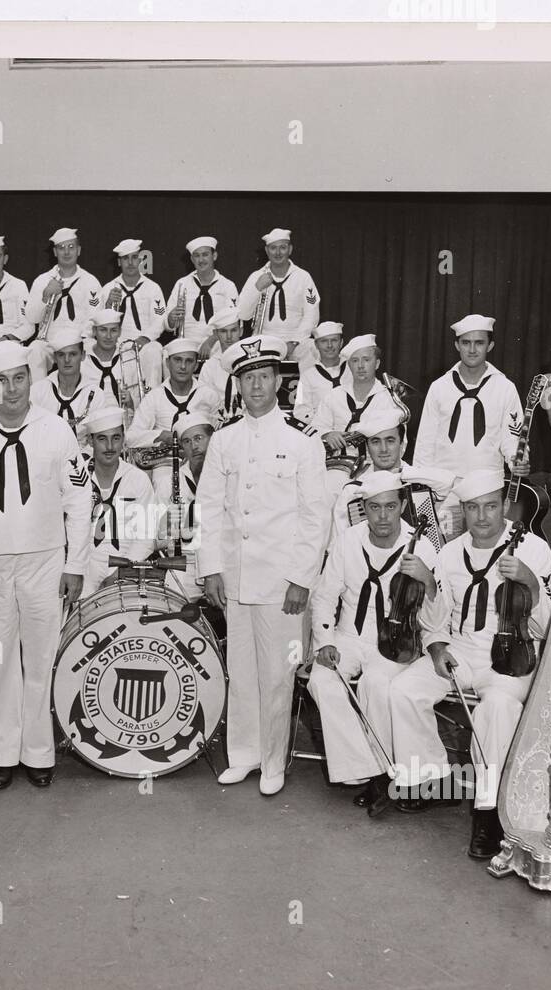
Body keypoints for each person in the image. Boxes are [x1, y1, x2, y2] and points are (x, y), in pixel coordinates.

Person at [0, 341, 92, 788]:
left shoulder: (56, 430)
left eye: (19, 379)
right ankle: (2, 753)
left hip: (46, 562)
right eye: (0, 382)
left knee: (41, 659)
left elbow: (79, 498)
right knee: (0, 658)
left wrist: (75, 564)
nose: (11, 390)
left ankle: (40, 753)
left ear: (31, 379)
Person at [389, 469, 551, 858]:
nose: (482, 517)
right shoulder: (449, 553)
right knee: (403, 690)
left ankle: (489, 810)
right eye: (472, 508)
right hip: (462, 650)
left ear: (505, 506)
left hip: (514, 653)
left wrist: (532, 586)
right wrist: (435, 646)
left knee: (496, 709)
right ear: (463, 510)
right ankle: (430, 781)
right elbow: (436, 621)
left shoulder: (533, 549)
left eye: (491, 507)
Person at [195, 334, 328, 795]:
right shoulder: (224, 441)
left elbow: (316, 516)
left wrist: (300, 579)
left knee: (277, 676)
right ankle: (245, 755)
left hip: (280, 582)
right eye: (248, 377)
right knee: (243, 673)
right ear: (237, 383)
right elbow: (208, 508)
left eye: (264, 376)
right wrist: (211, 568)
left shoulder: (302, 442)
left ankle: (273, 763)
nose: (256, 386)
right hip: (235, 578)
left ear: (278, 382)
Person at [307, 471, 440, 814]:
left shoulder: (422, 545)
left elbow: (438, 613)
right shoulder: (348, 541)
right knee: (323, 682)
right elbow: (324, 596)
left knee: (376, 684)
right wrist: (324, 640)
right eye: (374, 508)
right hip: (349, 636)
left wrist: (426, 578)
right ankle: (369, 771)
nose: (382, 516)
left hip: (398, 639)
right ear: (364, 508)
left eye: (390, 507)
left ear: (403, 506)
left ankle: (383, 774)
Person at [412, 314, 528, 538]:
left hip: (487, 489)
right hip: (445, 489)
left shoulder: (505, 388)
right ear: (457, 345)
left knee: (485, 551)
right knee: (443, 552)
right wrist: (422, 491)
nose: (472, 349)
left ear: (490, 345)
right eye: (466, 343)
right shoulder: (439, 388)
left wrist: (517, 460)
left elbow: (512, 438)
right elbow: (425, 444)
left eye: (479, 343)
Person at [328, 401, 452, 545]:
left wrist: (401, 474)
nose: (384, 449)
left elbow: (450, 484)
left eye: (390, 440)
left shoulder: (417, 479)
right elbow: (338, 543)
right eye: (375, 442)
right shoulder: (354, 491)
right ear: (367, 448)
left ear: (402, 443)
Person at [126, 339, 221, 497]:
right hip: (167, 462)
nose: (183, 367)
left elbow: (219, 431)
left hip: (202, 460)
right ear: (167, 363)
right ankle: (169, 522)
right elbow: (130, 437)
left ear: (196, 365)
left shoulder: (208, 395)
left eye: (189, 361)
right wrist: (161, 436)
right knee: (165, 485)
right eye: (177, 360)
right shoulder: (154, 397)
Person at [82, 406, 158, 598]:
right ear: (90, 441)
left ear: (123, 440)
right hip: (84, 563)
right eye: (102, 439)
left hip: (126, 564)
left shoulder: (138, 480)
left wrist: (120, 573)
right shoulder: (77, 479)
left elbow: (145, 537)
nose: (110, 446)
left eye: (116, 438)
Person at [311, 333, 393, 500]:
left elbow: (399, 442)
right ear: (349, 365)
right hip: (337, 468)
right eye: (355, 361)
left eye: (366, 360)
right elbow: (314, 430)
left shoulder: (388, 399)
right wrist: (327, 434)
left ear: (376, 363)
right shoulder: (334, 396)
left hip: (375, 468)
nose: (360, 366)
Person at [24, 227, 102, 381]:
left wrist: (77, 341)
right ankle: (39, 399)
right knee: (34, 350)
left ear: (79, 250)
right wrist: (45, 295)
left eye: (71, 247)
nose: (67, 252)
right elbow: (32, 318)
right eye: (61, 248)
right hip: (49, 341)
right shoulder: (42, 280)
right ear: (55, 252)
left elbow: (95, 318)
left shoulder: (90, 281)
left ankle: (88, 399)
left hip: (80, 340)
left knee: (92, 351)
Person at [235, 228, 321, 364]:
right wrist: (257, 288)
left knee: (313, 350)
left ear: (290, 249)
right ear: (267, 250)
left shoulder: (303, 277)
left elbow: (312, 314)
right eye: (273, 248)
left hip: (296, 340)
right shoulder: (257, 276)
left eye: (283, 247)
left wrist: (294, 342)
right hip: (264, 340)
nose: (278, 252)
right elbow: (243, 314)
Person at [157, 411, 213, 605]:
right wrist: (169, 524)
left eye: (199, 438)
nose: (194, 447)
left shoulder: (229, 475)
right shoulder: (168, 482)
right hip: (185, 564)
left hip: (221, 561)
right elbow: (159, 539)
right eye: (187, 442)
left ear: (212, 438)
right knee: (171, 611)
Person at [99, 238, 166, 388]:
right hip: (117, 343)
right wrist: (108, 305)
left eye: (134, 257)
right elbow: (97, 323)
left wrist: (145, 338)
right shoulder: (108, 288)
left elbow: (160, 319)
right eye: (125, 258)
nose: (130, 262)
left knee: (155, 350)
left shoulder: (152, 288)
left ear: (140, 260)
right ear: (119, 262)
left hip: (144, 343)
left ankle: (152, 397)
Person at [31, 325, 111, 442]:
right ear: (54, 358)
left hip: (82, 456)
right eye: (61, 355)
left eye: (73, 354)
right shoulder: (38, 391)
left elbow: (98, 440)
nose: (67, 360)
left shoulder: (96, 394)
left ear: (83, 356)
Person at [165, 236, 240, 345]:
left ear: (214, 256)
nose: (201, 260)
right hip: (187, 343)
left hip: (218, 343)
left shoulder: (228, 286)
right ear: (192, 259)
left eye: (205, 255)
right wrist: (171, 319)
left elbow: (232, 323)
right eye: (197, 256)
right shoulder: (182, 284)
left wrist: (211, 341)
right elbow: (169, 326)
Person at [197, 309, 247, 422]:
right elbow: (203, 402)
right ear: (216, 334)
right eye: (223, 331)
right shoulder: (209, 366)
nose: (229, 336)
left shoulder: (250, 361)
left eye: (233, 330)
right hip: (217, 422)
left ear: (241, 331)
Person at [295, 321, 347, 426]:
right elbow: (300, 413)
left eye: (334, 340)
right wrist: (325, 430)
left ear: (341, 342)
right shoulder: (307, 376)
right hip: (320, 435)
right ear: (316, 345)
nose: (329, 345)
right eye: (324, 341)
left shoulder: (352, 370)